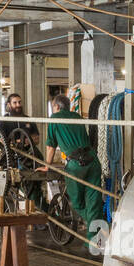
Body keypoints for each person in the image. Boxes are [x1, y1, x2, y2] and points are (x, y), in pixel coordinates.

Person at [41, 93, 103, 239]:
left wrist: (47, 166)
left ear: (56, 106)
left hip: (76, 165)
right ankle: (97, 237)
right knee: (94, 201)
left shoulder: (54, 119)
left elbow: (51, 146)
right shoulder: (77, 117)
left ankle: (99, 228)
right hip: (93, 162)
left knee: (76, 202)